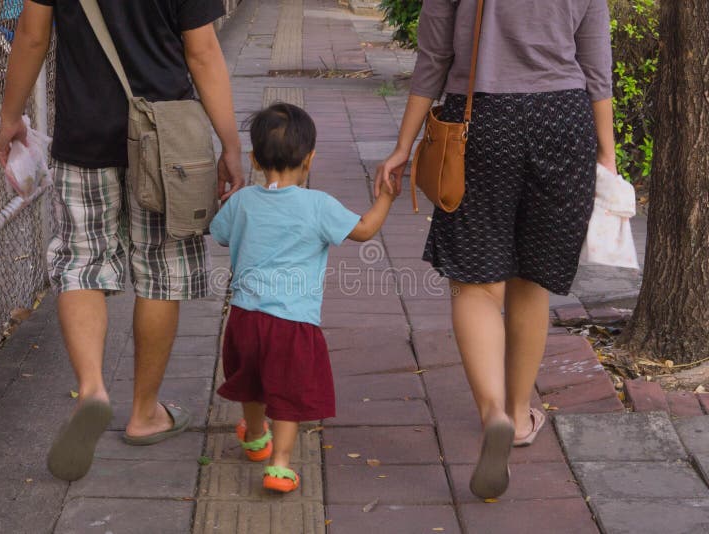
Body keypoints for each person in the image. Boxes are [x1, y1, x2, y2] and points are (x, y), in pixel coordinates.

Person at [0, 0, 244, 481]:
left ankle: (92, 390)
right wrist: (229, 144)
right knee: (162, 268)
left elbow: (30, 35)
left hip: (84, 134)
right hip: (164, 136)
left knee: (80, 262)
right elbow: (203, 51)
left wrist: (10, 116)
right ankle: (145, 413)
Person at [376, 0, 615, 499]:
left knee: (475, 284)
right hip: (564, 121)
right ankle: (522, 412)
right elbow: (596, 67)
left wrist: (403, 145)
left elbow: (433, 59)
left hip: (481, 120)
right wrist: (607, 156)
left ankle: (493, 414)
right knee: (533, 280)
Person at [210, 103, 397, 493]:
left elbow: (220, 232)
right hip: (292, 323)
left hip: (244, 318)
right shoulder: (318, 205)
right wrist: (385, 201)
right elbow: (363, 231)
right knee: (287, 392)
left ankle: (256, 438)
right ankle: (279, 465)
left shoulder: (243, 202)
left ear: (255, 159)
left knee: (251, 380)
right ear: (310, 159)